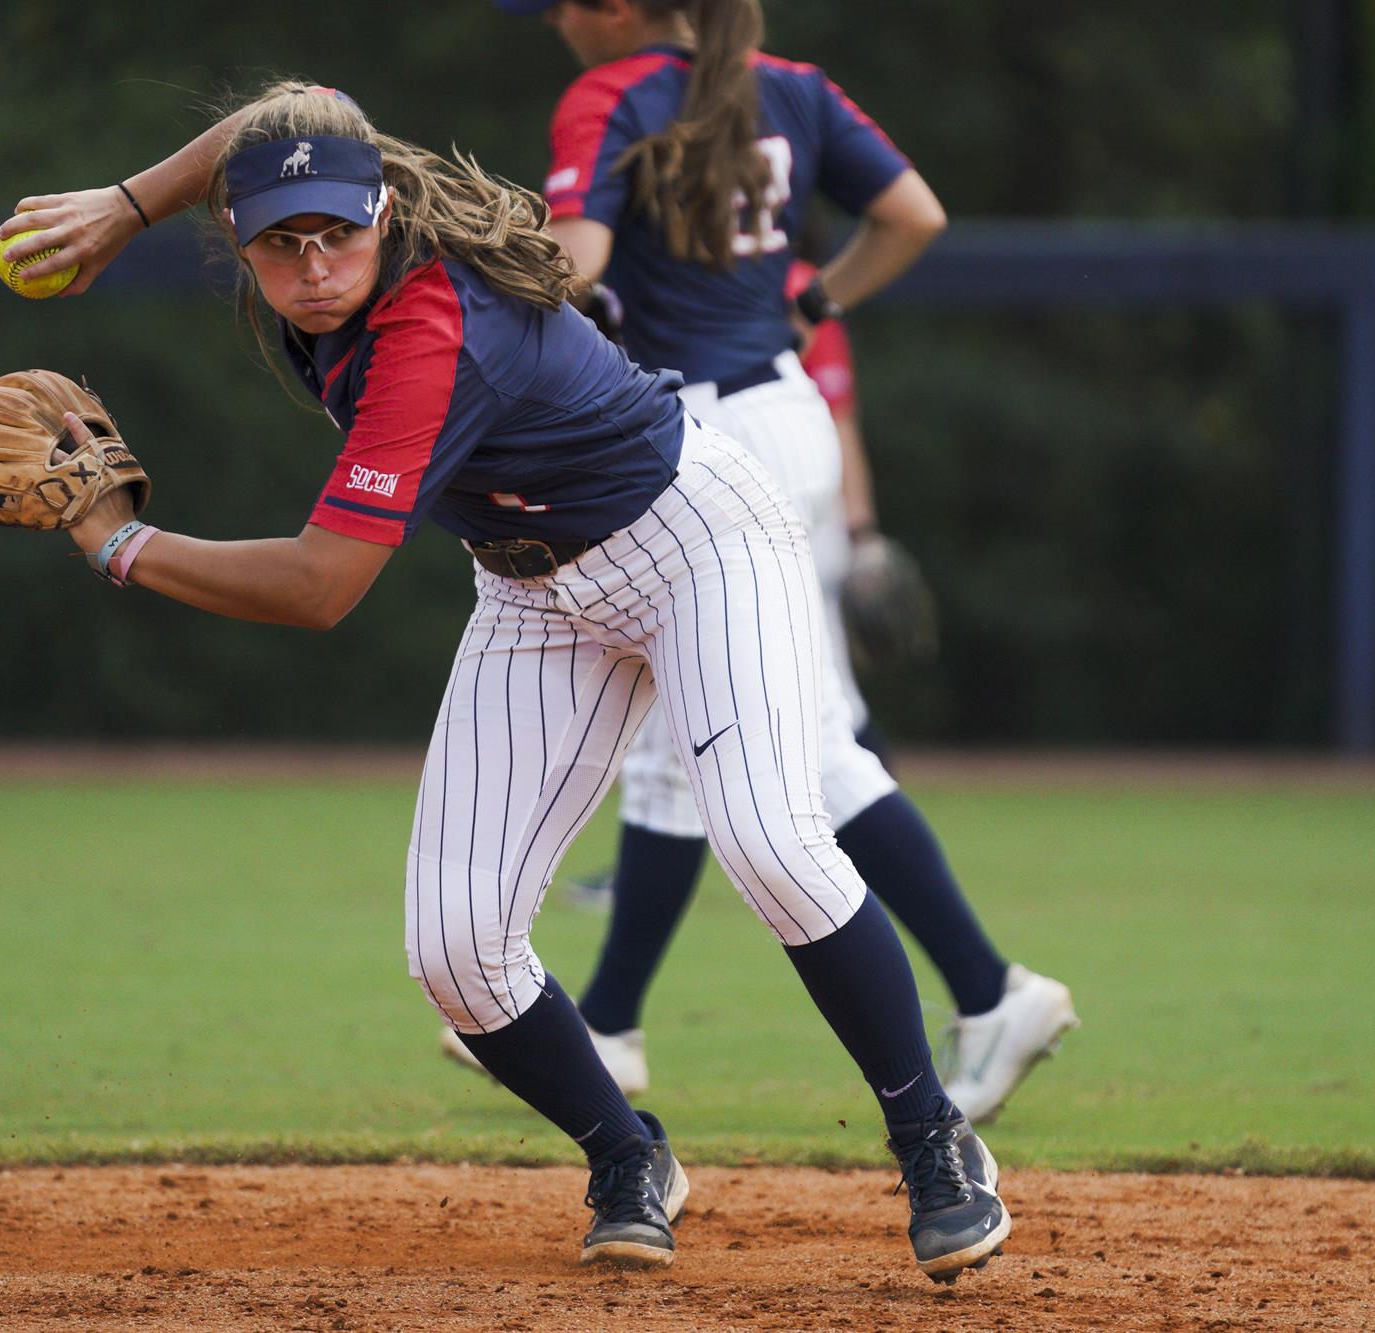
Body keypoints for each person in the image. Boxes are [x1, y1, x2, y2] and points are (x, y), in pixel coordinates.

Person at [0, 78, 1008, 1281]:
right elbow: (288, 112)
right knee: (455, 943)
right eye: (279, 240)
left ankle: (930, 1138)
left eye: (337, 231)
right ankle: (627, 1153)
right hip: (532, 589)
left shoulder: (428, 327)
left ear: (381, 212)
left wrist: (122, 543)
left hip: (694, 542)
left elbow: (323, 586)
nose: (314, 262)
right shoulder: (318, 234)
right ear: (238, 239)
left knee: (770, 842)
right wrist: (127, 205)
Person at [460, 0, 1079, 1125]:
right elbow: (912, 213)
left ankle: (623, 1021)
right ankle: (976, 992)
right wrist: (813, 300)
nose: (551, 22)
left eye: (559, 1)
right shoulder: (789, 84)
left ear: (612, 6)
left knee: (730, 749)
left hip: (689, 440)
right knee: (786, 744)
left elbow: (574, 268)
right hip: (780, 418)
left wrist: (464, 276)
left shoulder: (609, 94)